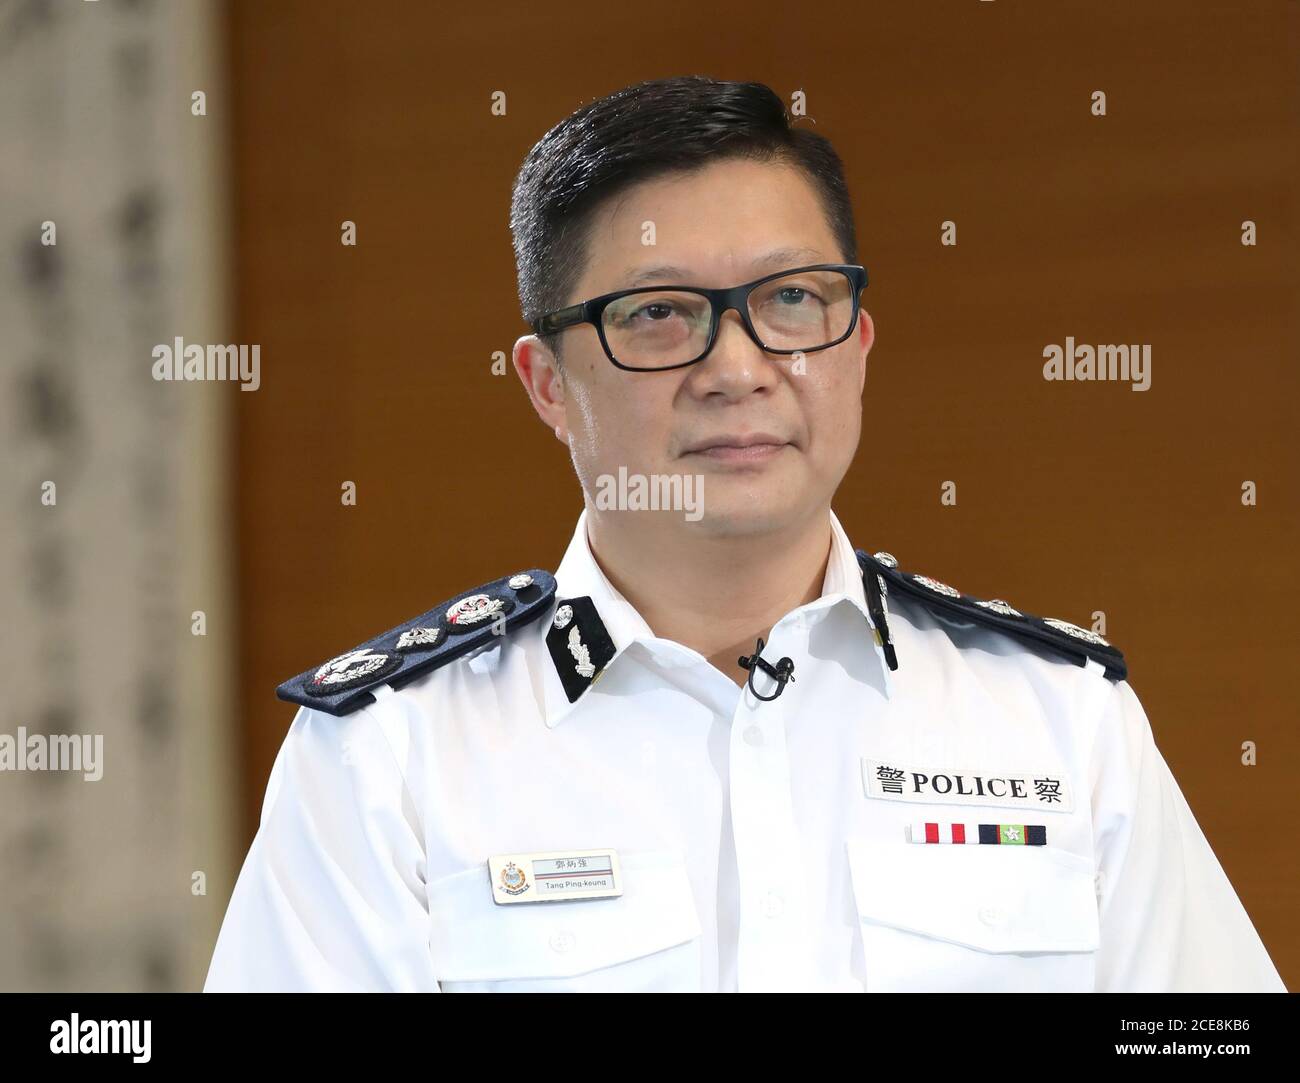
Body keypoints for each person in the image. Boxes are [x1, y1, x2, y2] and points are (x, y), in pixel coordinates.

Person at [204, 75, 1286, 993]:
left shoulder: (1060, 724)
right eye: (657, 314)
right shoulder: (389, 758)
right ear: (546, 384)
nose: (736, 367)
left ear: (856, 340)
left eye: (791, 299)